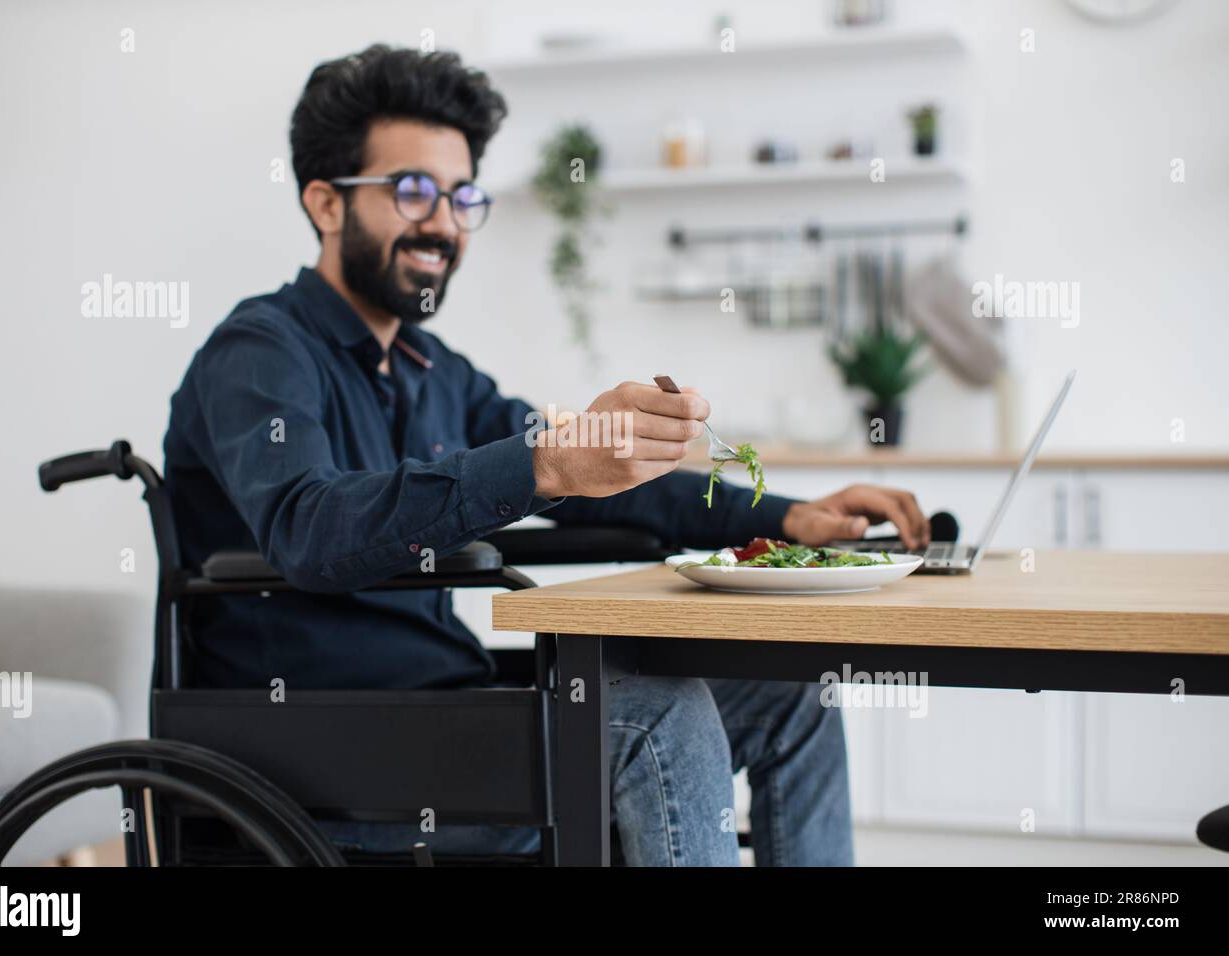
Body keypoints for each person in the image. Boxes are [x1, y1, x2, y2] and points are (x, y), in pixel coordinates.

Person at [163, 45, 930, 866]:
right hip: (321, 744)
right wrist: (543, 466)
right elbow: (310, 528)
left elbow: (609, 484)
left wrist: (790, 518)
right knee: (652, 714)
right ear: (325, 203)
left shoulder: (437, 373)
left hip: (450, 710)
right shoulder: (259, 352)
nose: (444, 224)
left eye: (462, 197)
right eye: (413, 191)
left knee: (793, 699)